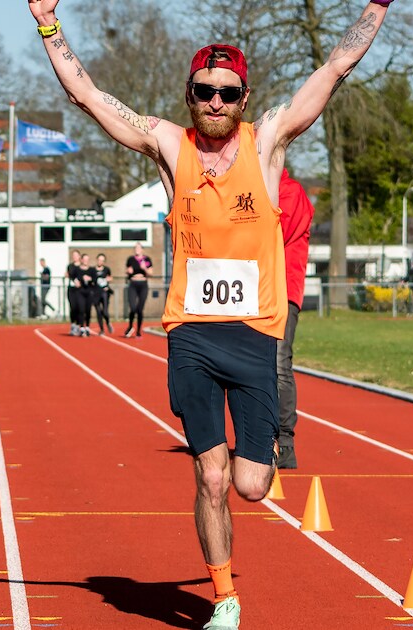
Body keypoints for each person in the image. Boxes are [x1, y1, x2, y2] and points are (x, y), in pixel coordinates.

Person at [28, 1, 392, 626]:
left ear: (244, 97)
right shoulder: (170, 147)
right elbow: (88, 95)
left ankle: (256, 478)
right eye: (204, 91)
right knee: (212, 477)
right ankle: (224, 599)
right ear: (190, 95)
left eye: (226, 92)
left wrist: (378, 6)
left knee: (251, 485)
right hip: (192, 335)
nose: (215, 102)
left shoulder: (270, 140)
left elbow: (335, 66)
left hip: (255, 336)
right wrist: (47, 23)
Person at [275, 168, 312, 470]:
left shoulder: (290, 191)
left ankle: (285, 442)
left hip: (283, 290)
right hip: (256, 290)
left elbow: (274, 235)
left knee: (278, 363)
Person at [123, 242, 152, 338]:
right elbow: (127, 271)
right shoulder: (130, 259)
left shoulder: (146, 259)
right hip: (133, 284)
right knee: (133, 308)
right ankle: (130, 326)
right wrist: (128, 271)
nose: (137, 249)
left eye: (138, 248)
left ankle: (138, 331)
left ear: (142, 249)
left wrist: (144, 269)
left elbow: (150, 273)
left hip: (143, 284)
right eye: (135, 248)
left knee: (140, 309)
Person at [94, 253, 114, 335]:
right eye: (99, 260)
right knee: (98, 311)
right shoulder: (93, 270)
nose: (100, 262)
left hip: (104, 292)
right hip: (96, 293)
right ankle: (102, 329)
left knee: (105, 311)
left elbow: (111, 278)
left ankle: (108, 322)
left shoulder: (106, 269)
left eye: (102, 260)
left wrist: (109, 279)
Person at [66, 249, 85, 336]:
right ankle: (73, 325)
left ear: (79, 257)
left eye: (76, 255)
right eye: (73, 255)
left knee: (79, 308)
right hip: (72, 289)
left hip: (80, 290)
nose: (74, 257)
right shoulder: (70, 266)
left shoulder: (82, 266)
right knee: (73, 307)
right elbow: (69, 274)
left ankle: (78, 325)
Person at [78, 253, 96, 336]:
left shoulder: (92, 270)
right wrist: (81, 279)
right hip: (81, 292)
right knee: (81, 309)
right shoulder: (78, 270)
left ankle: (87, 327)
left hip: (89, 292)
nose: (86, 261)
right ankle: (81, 327)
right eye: (84, 259)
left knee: (88, 310)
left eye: (87, 260)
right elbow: (75, 278)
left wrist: (90, 279)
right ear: (81, 260)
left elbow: (95, 280)